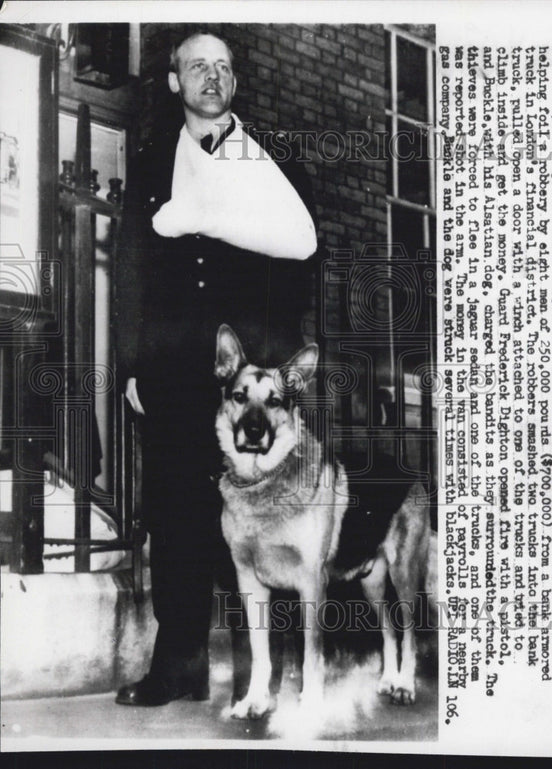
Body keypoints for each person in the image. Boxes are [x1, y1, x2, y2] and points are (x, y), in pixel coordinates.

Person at [115, 31, 317, 706]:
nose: (213, 75)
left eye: (224, 67)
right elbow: (131, 269)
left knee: (261, 519)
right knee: (176, 514)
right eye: (198, 65)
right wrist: (133, 364)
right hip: (174, 372)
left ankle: (270, 673)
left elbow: (297, 263)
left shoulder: (272, 162)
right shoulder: (149, 165)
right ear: (174, 81)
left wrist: (276, 363)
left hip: (249, 380)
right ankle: (179, 666)